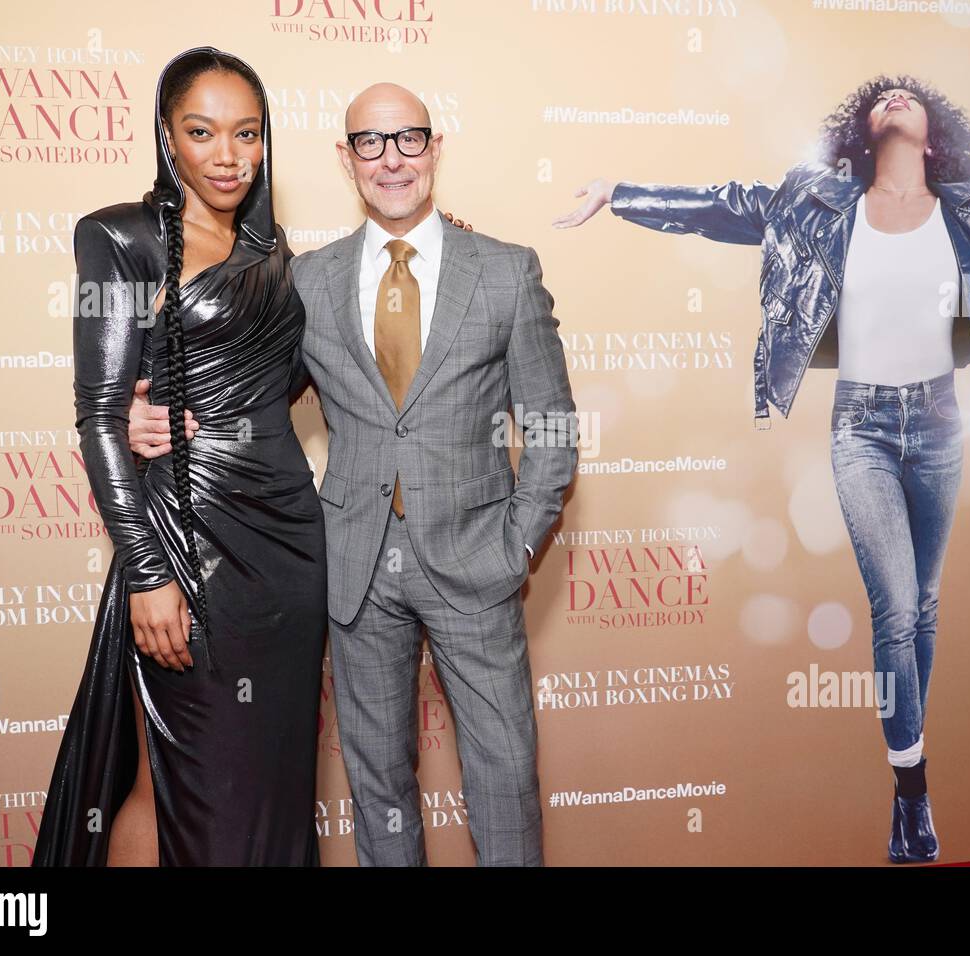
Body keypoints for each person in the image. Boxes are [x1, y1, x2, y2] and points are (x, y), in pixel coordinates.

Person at [554, 74, 970, 863]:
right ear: (863, 126)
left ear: (933, 134)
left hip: (940, 423)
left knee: (924, 606)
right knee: (894, 610)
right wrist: (620, 194)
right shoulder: (815, 203)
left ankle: (907, 768)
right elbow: (723, 208)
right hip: (859, 426)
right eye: (879, 93)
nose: (892, 93)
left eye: (907, 92)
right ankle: (912, 789)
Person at [131, 82, 578, 866]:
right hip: (354, 568)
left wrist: (515, 546)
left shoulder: (506, 271)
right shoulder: (310, 281)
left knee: (503, 777)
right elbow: (258, 396)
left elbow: (549, 426)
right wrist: (160, 414)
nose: (391, 159)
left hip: (478, 560)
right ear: (346, 158)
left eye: (409, 139)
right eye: (370, 142)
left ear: (435, 149)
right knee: (379, 787)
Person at [33, 47, 327, 866]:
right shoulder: (118, 237)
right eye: (202, 132)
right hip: (185, 543)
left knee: (272, 782)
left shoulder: (278, 256)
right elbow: (97, 414)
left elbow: (297, 378)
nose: (228, 155)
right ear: (167, 135)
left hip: (290, 547)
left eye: (247, 133)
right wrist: (146, 573)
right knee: (170, 781)